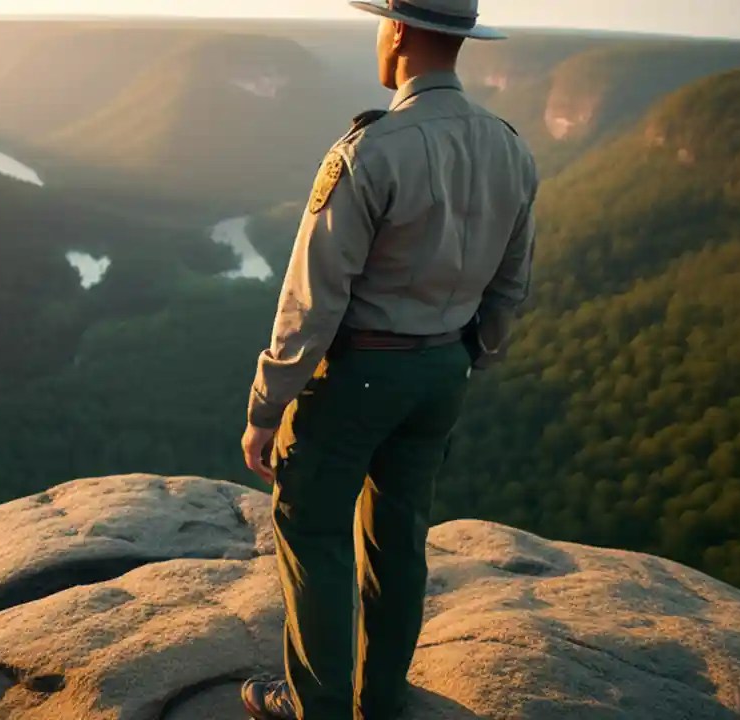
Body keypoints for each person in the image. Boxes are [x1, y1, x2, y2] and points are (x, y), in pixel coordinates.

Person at [237, 1, 538, 718]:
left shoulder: (372, 150)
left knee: (312, 528)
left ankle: (319, 704)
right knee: (399, 535)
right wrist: (471, 358)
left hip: (361, 371)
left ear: (398, 30)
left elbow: (311, 301)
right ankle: (383, 697)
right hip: (443, 373)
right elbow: (513, 285)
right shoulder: (510, 147)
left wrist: (265, 408)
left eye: (382, 20)